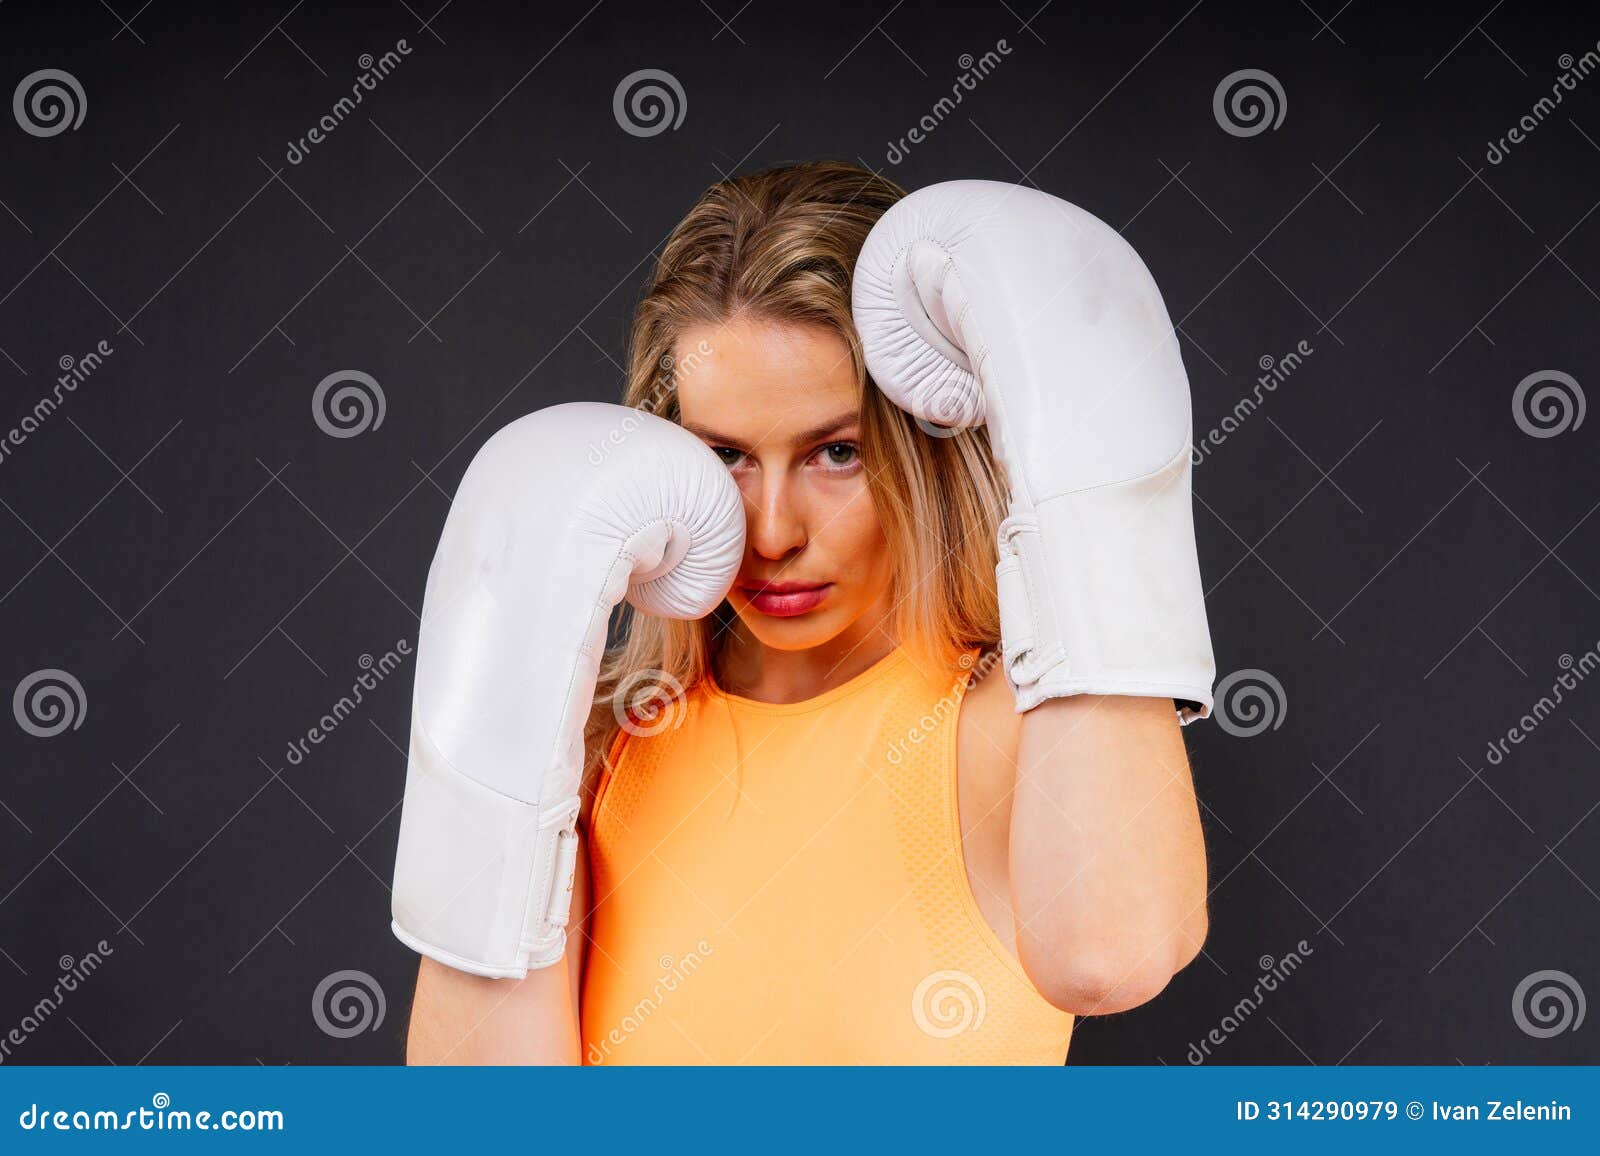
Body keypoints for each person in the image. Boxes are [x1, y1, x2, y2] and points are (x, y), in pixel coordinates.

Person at [395, 161, 1215, 1064]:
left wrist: (1103, 511)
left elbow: (1110, 959)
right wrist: (484, 766)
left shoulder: (1012, 728)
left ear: (927, 447)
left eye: (835, 452)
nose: (773, 530)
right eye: (728, 455)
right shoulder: (598, 750)